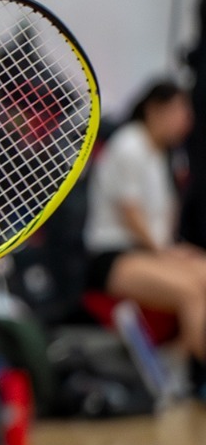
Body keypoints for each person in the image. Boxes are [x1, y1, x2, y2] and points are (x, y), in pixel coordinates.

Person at [87, 78, 206, 359]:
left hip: (150, 251)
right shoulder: (129, 146)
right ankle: (186, 378)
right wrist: (164, 252)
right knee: (190, 291)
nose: (186, 122)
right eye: (179, 112)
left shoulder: (167, 156)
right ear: (155, 110)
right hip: (114, 256)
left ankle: (177, 363)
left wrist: (173, 250)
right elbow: (131, 215)